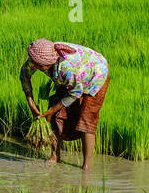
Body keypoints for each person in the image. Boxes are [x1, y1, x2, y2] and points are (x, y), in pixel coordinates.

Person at [20, 39, 110, 172]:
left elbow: (75, 93)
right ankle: (55, 155)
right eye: (35, 64)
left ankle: (87, 165)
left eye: (40, 66)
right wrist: (32, 104)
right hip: (74, 78)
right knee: (57, 116)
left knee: (87, 120)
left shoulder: (67, 68)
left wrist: (51, 110)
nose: (36, 68)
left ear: (50, 62)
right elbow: (24, 76)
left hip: (96, 76)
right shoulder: (37, 57)